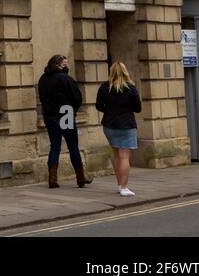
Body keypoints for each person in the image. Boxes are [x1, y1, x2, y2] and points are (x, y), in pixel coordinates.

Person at [37, 54, 92, 188]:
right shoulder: (65, 78)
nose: (67, 66)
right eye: (65, 65)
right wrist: (71, 109)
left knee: (55, 146)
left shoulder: (43, 79)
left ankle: (53, 179)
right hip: (65, 114)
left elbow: (43, 98)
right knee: (73, 146)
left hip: (49, 116)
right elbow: (77, 97)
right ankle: (80, 177)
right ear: (58, 65)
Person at [96, 60, 143, 196]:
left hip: (109, 125)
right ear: (125, 72)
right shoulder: (131, 88)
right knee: (124, 157)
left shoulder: (105, 87)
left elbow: (99, 106)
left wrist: (109, 110)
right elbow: (137, 108)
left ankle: (119, 184)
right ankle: (124, 187)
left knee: (116, 155)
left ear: (111, 72)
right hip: (126, 125)